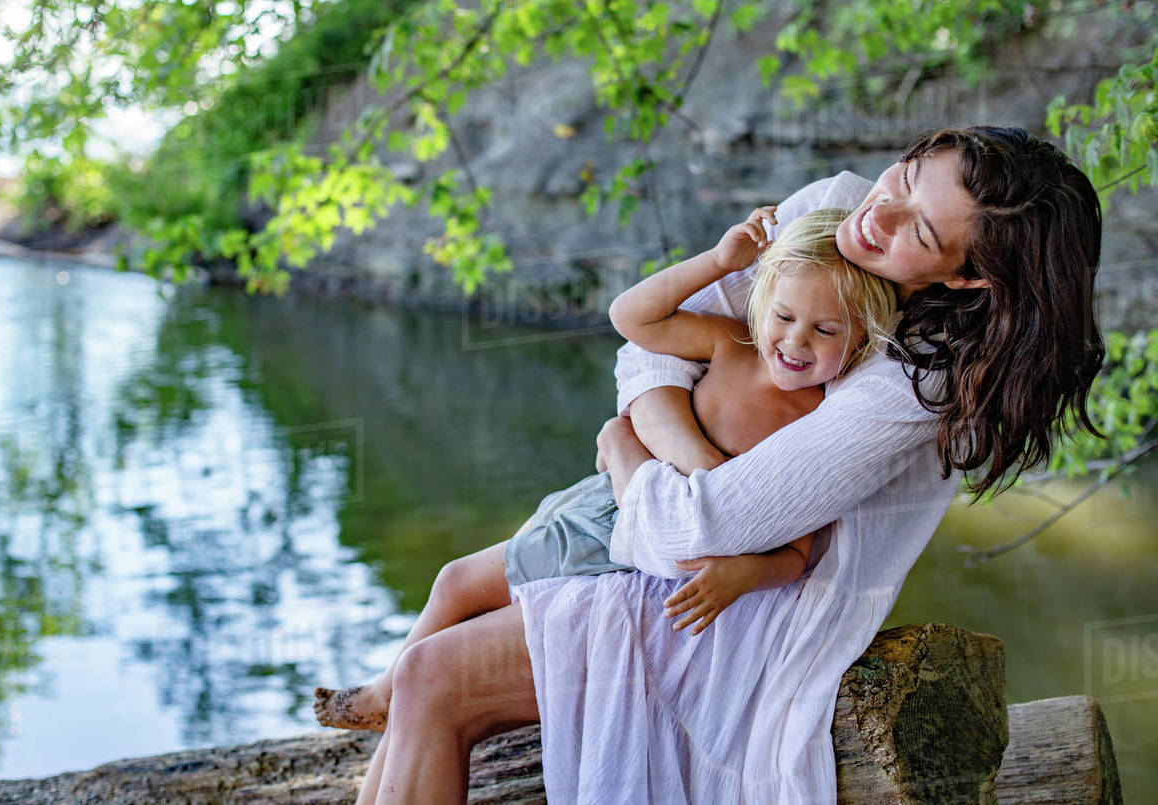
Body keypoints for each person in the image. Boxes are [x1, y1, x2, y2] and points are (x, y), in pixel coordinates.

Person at [351, 127, 1105, 804]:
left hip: (736, 601)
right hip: (647, 526)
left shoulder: (917, 377)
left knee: (432, 677)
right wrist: (673, 452)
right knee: (435, 649)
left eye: (922, 230)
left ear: (966, 277)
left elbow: (698, 531)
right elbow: (650, 345)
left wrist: (630, 453)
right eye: (905, 177)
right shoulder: (834, 212)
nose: (882, 215)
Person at [313, 206, 897, 730]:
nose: (795, 341)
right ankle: (388, 691)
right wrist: (718, 261)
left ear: (860, 338)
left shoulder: (823, 426)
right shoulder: (732, 343)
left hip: (632, 551)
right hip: (605, 506)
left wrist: (742, 576)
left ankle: (398, 694)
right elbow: (631, 316)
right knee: (457, 584)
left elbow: (796, 553)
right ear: (763, 299)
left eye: (825, 330)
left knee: (467, 592)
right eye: (784, 315)